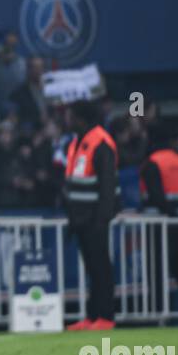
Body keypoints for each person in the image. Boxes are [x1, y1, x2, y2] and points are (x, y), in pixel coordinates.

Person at [64, 100, 120, 330]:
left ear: (81, 118)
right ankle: (92, 316)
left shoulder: (100, 143)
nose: (67, 120)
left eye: (70, 116)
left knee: (101, 268)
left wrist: (102, 218)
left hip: (95, 218)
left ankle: (105, 316)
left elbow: (108, 187)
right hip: (82, 219)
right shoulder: (79, 142)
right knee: (91, 268)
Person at [139, 125, 178, 311]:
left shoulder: (151, 163)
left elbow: (156, 196)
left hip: (157, 226)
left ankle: (157, 312)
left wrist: (170, 215)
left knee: (156, 271)